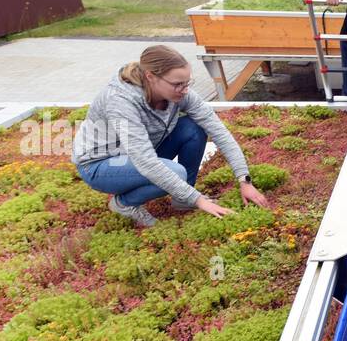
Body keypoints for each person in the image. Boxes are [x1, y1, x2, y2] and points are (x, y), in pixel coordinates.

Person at [72, 45, 269, 228]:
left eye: (187, 83)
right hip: (101, 165)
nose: (185, 90)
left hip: (140, 151)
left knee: (193, 128)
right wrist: (199, 200)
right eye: (177, 84)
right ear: (150, 77)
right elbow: (146, 162)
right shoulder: (120, 101)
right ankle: (124, 203)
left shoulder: (179, 94)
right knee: (176, 173)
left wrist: (245, 180)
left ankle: (182, 198)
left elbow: (219, 131)